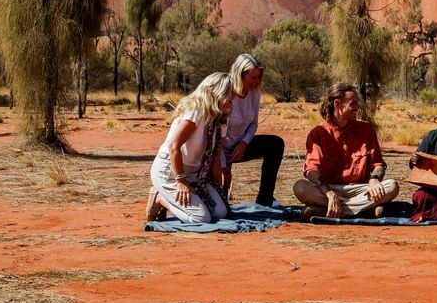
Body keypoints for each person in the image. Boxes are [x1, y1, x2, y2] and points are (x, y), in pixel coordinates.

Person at [293, 83, 399, 219]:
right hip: (328, 188)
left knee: (392, 186)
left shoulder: (366, 130)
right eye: (353, 104)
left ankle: (326, 210)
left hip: (360, 189)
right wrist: (330, 194)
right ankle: (364, 211)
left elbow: (378, 164)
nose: (358, 107)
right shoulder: (318, 133)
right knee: (300, 188)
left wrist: (375, 179)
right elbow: (311, 170)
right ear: (337, 104)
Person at [145, 72, 236, 224]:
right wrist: (180, 181)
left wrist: (218, 190)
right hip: (170, 172)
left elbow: (215, 160)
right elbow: (174, 146)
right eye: (230, 93)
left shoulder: (221, 118)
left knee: (220, 213)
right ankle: (160, 199)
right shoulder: (196, 111)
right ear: (217, 93)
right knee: (200, 218)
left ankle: (189, 200)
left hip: (196, 175)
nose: (233, 97)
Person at [218, 54, 284, 207]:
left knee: (275, 144)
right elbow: (216, 135)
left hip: (239, 147)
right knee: (220, 207)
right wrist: (223, 165)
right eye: (253, 78)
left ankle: (265, 199)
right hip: (217, 151)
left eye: (259, 77)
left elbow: (254, 123)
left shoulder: (254, 92)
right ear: (240, 74)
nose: (257, 82)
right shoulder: (225, 94)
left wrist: (244, 143)